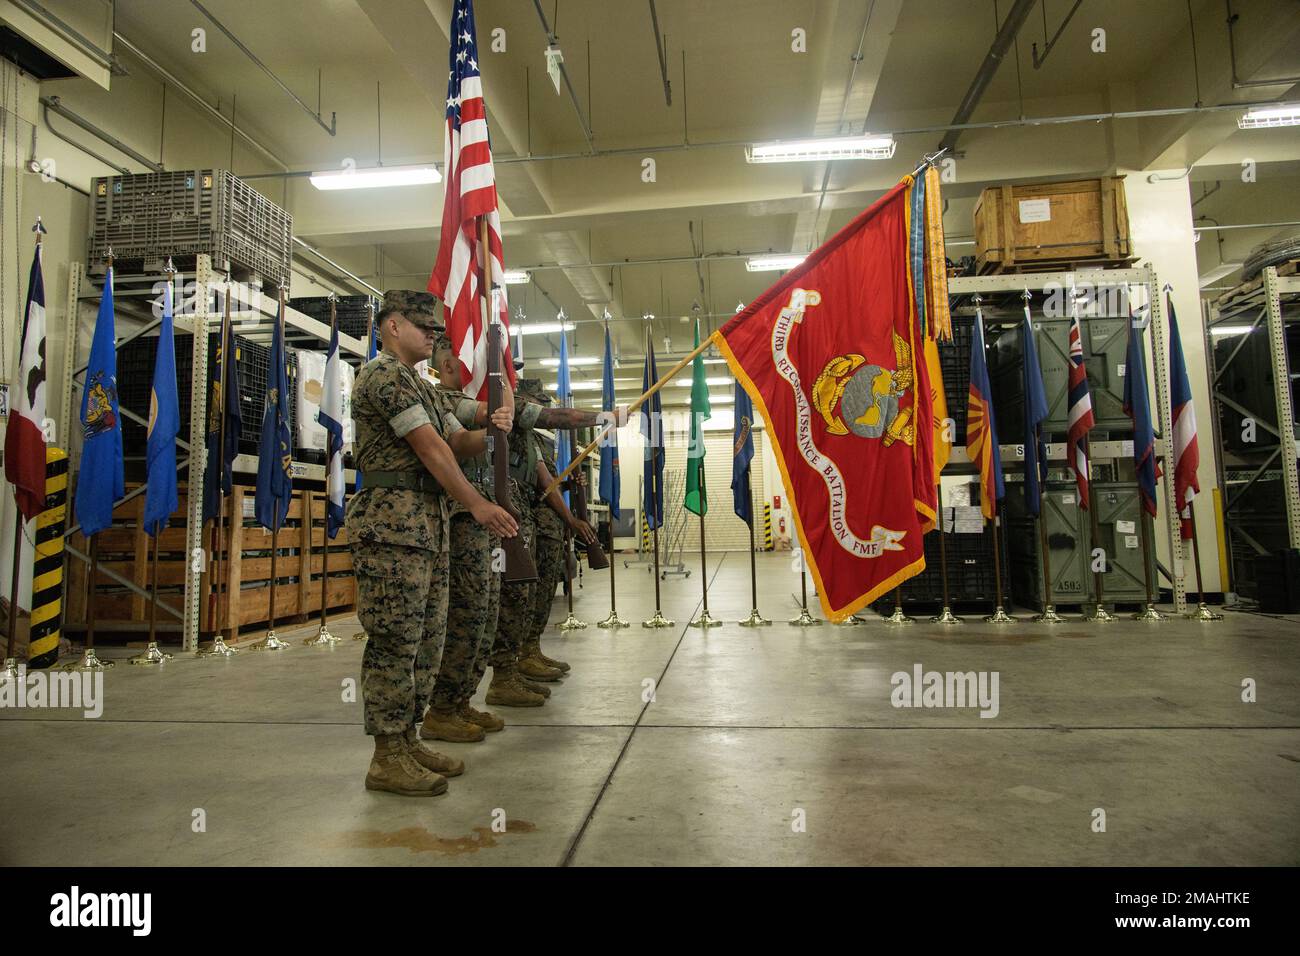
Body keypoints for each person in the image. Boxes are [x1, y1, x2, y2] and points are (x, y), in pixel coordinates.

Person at [348, 290, 516, 797]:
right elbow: (432, 450)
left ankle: (409, 737)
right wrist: (477, 504)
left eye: (436, 328)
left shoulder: (416, 384)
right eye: (423, 327)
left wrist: (491, 428)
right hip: (392, 527)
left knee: (426, 640)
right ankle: (386, 756)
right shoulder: (381, 376)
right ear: (392, 326)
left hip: (425, 526)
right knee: (395, 641)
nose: (433, 336)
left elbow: (457, 441)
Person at [480, 377, 620, 706]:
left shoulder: (529, 437)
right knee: (512, 597)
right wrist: (605, 416)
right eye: (537, 400)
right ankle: (505, 672)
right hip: (509, 512)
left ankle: (524, 656)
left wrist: (571, 501)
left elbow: (543, 474)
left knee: (529, 594)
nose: (541, 406)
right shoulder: (509, 411)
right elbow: (560, 419)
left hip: (525, 513)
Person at [421, 330, 513, 743]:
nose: (479, 372)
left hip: (483, 518)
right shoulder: (441, 399)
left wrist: (501, 369)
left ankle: (460, 700)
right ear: (447, 367)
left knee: (484, 613)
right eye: (470, 361)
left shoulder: (461, 401)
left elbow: (492, 425)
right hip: (461, 520)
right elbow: (476, 427)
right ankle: (442, 707)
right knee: (465, 614)